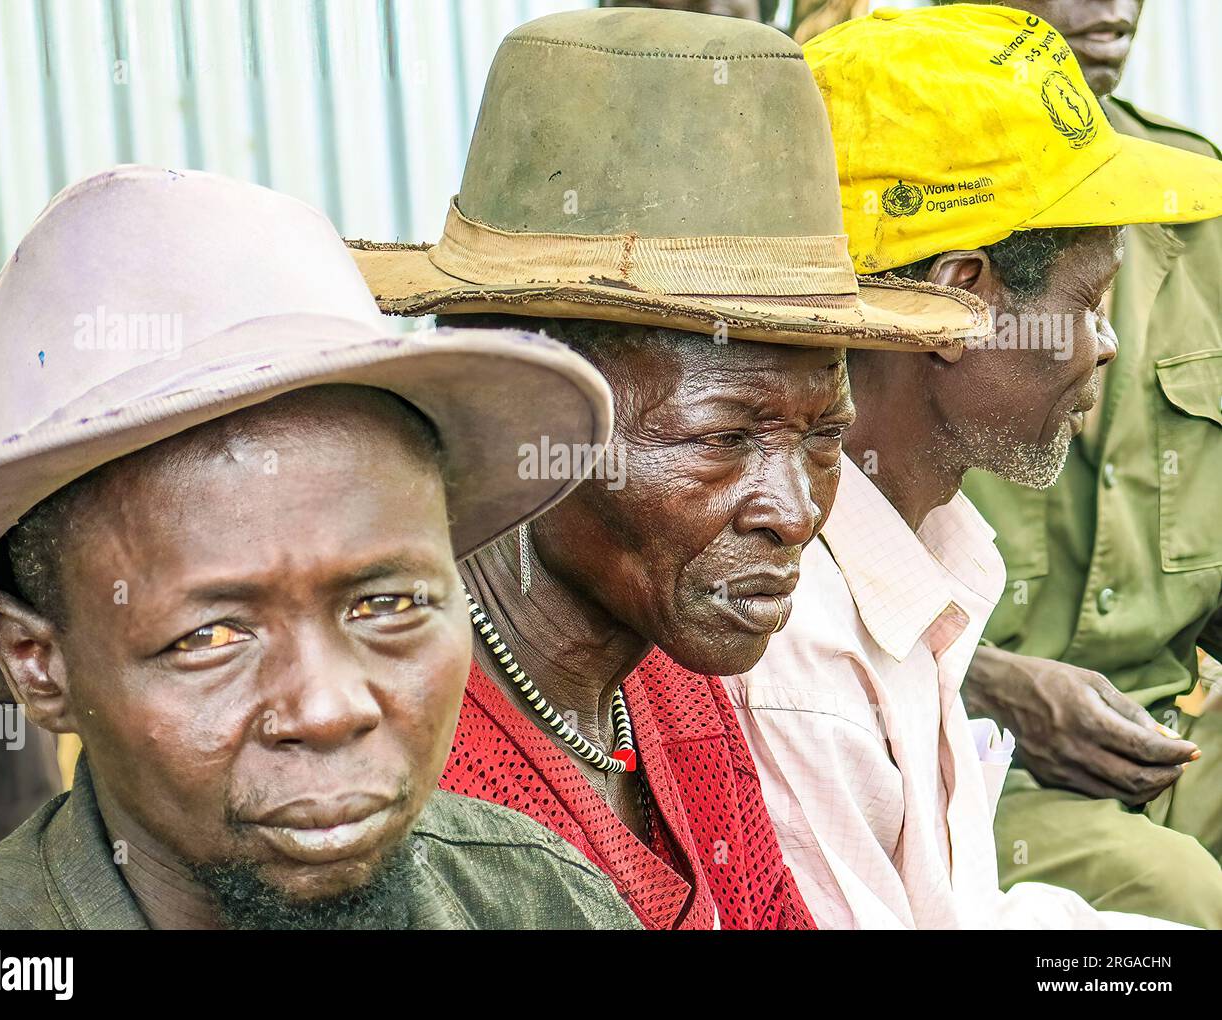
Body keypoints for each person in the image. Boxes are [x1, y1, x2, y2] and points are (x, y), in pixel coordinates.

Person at [350, 6, 988, 930]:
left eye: (822, 438)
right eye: (723, 440)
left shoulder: (668, 681)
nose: (795, 511)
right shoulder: (401, 766)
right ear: (519, 403)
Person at [0, 164, 640, 930]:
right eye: (211, 637)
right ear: (39, 662)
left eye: (387, 603)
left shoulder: (542, 905)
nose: (329, 708)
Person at [727, 4, 1221, 928]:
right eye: (1091, 302)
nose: (1106, 346)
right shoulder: (797, 652)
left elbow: (962, 910)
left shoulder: (921, 561)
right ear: (960, 303)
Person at [951, 0, 1222, 928]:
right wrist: (983, 681)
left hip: (1179, 720)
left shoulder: (1200, 203)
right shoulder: (895, 212)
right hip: (980, 753)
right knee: (1187, 905)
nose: (1110, 6)